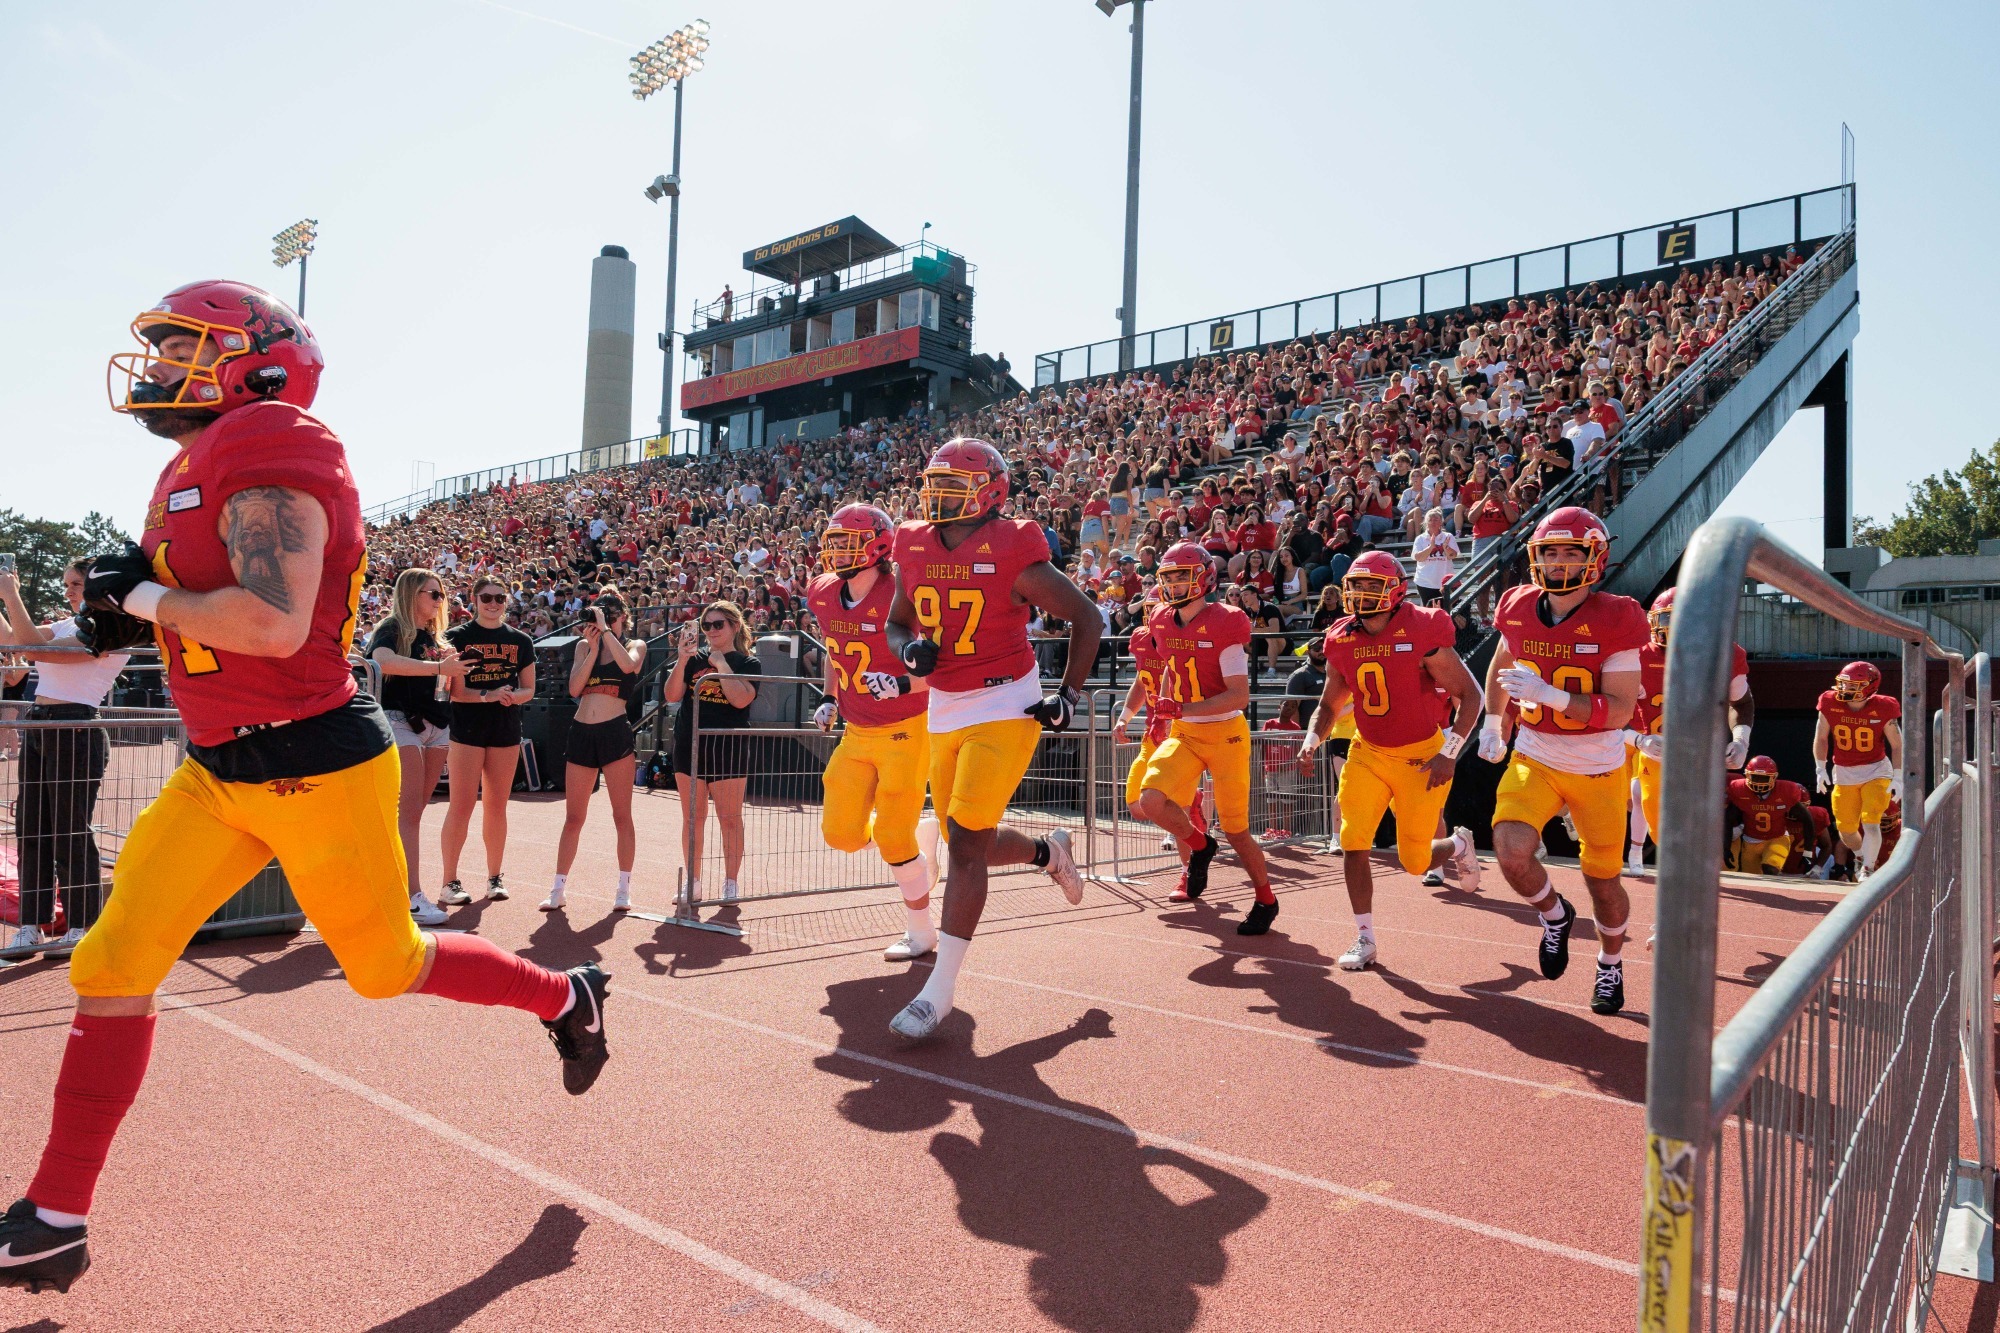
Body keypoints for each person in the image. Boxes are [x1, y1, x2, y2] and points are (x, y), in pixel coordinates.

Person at [0, 280, 609, 1296]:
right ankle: (56, 1214)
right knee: (110, 962)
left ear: (260, 362)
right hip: (217, 768)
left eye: (186, 347)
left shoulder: (273, 437)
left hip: (314, 761)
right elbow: (205, 613)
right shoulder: (196, 463)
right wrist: (133, 614)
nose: (159, 367)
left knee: (383, 965)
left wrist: (144, 594)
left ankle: (566, 994)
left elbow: (276, 624)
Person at [884, 437, 1100, 1041]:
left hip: (1008, 699)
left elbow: (1087, 616)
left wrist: (1070, 694)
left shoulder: (1013, 544)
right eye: (937, 484)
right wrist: (910, 651)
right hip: (946, 703)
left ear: (991, 492)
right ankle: (1047, 853)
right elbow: (898, 621)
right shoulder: (915, 541)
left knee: (967, 847)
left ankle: (940, 991)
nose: (940, 497)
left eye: (955, 486)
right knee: (963, 839)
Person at [1479, 506, 1648, 1016]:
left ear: (1594, 557)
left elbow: (1619, 710)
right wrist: (1493, 720)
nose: (1556, 563)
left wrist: (1549, 695)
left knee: (1603, 881)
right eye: (1548, 552)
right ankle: (1554, 916)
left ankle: (1610, 963)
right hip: (1536, 753)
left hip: (1597, 764)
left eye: (1569, 552)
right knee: (1509, 850)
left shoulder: (1618, 616)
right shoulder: (1517, 605)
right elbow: (1501, 663)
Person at [1299, 552, 1483, 970]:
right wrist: (1313, 738)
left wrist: (1448, 752)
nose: (1362, 594)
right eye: (1356, 586)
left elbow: (1471, 695)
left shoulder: (1422, 626)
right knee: (1353, 842)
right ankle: (1365, 938)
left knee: (1414, 861)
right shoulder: (1340, 636)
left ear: (1396, 590)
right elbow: (1329, 704)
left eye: (1371, 585)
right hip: (1368, 752)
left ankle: (1457, 843)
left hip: (1420, 755)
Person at [808, 504, 940, 961]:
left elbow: (944, 665)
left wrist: (902, 682)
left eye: (847, 541)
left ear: (877, 546)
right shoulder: (823, 592)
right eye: (834, 541)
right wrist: (828, 697)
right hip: (856, 731)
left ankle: (921, 931)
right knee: (841, 834)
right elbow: (834, 648)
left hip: (907, 728)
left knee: (892, 836)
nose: (837, 551)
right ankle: (916, 849)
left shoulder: (902, 592)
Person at [1135, 542, 1278, 931]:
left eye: (1182, 575)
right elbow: (1170, 666)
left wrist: (1180, 708)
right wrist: (1165, 705)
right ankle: (1201, 845)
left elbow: (1239, 694)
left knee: (1236, 829)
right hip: (1185, 732)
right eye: (1169, 577)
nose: (1175, 584)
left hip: (1226, 733)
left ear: (1203, 577)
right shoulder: (1162, 618)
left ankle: (1265, 899)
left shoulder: (1225, 620)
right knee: (1150, 800)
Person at [0, 561, 133, 956]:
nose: (69, 590)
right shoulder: (65, 625)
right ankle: (30, 925)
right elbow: (12, 642)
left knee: (70, 830)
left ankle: (81, 924)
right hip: (42, 726)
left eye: (77, 583)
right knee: (31, 828)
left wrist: (12, 594)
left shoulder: (114, 629)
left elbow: (32, 649)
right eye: (66, 584)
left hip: (76, 726)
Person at [1623, 586, 1754, 875]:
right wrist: (1638, 739)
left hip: (1701, 752)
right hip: (1655, 752)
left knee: (1691, 827)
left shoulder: (1726, 654)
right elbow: (1610, 707)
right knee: (1654, 823)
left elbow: (1741, 703)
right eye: (1669, 620)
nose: (1677, 628)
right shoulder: (1635, 654)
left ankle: (1684, 899)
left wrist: (1741, 740)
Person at [365, 567, 470, 925]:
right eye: (433, 593)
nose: (441, 600)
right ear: (411, 594)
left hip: (437, 726)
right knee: (408, 813)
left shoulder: (437, 638)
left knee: (413, 814)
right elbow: (382, 661)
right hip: (400, 720)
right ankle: (410, 896)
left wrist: (482, 686)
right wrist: (439, 666)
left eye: (441, 594)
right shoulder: (393, 627)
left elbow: (451, 687)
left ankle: (391, 888)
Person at [437, 575, 537, 904]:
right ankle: (449, 881)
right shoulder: (456, 637)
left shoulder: (521, 640)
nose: (493, 604)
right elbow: (456, 693)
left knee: (497, 807)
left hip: (505, 731)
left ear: (506, 602)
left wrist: (511, 698)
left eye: (499, 598)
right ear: (474, 600)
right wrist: (489, 694)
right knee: (462, 806)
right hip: (466, 731)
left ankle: (495, 877)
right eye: (486, 598)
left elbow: (529, 690)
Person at [546, 589, 646, 912]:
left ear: (621, 618)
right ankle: (558, 888)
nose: (601, 620)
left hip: (614, 731)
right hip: (582, 732)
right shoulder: (582, 646)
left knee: (622, 816)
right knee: (573, 817)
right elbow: (576, 688)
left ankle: (623, 887)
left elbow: (629, 666)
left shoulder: (634, 645)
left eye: (609, 615)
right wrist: (591, 648)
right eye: (600, 614)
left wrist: (606, 632)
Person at [665, 598, 760, 902]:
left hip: (727, 745)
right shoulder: (693, 659)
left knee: (729, 817)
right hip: (690, 743)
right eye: (706, 625)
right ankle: (692, 881)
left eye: (718, 624)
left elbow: (741, 700)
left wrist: (720, 666)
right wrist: (681, 658)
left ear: (734, 626)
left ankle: (730, 883)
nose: (711, 630)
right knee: (693, 817)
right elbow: (671, 695)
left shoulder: (748, 662)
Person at [1812, 660, 1902, 881]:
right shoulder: (1829, 701)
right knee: (1846, 829)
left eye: (1853, 685)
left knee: (1871, 821)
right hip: (1844, 771)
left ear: (1869, 687)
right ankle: (1861, 856)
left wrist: (1898, 777)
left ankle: (1868, 869)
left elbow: (1898, 744)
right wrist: (1820, 767)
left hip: (1876, 769)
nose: (1846, 689)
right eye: (1844, 684)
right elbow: (1821, 737)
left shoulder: (1884, 706)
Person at [1723, 757, 1813, 876]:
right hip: (1750, 841)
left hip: (1777, 838)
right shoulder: (1739, 790)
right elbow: (1728, 820)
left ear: (1774, 777)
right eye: (1756, 777)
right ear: (1747, 776)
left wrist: (1808, 853)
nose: (1759, 783)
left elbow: (1807, 820)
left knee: (1770, 869)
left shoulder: (1785, 791)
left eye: (1764, 778)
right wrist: (1726, 848)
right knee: (1751, 880)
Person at [1408, 509, 1460, 607]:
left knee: (1448, 611)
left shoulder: (1448, 536)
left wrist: (1446, 547)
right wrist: (1430, 547)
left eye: (1436, 519)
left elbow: (1453, 555)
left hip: (1446, 583)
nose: (1433, 522)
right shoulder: (1420, 539)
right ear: (1426, 522)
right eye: (1430, 519)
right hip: (1425, 582)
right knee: (1430, 613)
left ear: (1441, 522)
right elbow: (1418, 557)